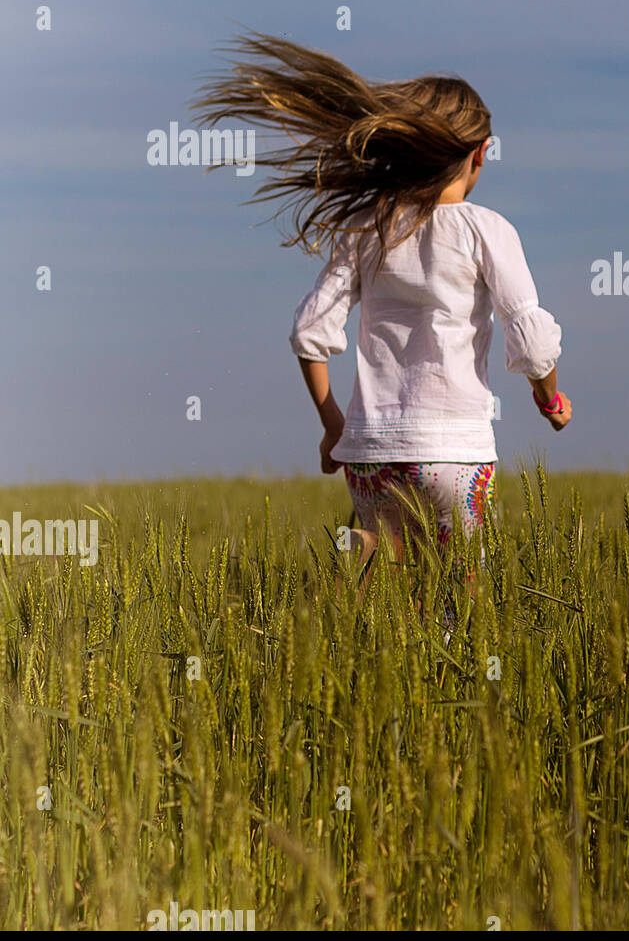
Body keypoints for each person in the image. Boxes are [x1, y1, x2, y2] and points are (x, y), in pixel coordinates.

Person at [195, 33, 570, 614]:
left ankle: (357, 665)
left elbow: (309, 332)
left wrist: (332, 426)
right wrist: (550, 401)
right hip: (456, 452)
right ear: (479, 154)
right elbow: (531, 337)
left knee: (372, 589)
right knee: (455, 599)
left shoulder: (370, 227)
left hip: (371, 450)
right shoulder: (488, 230)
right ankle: (446, 684)